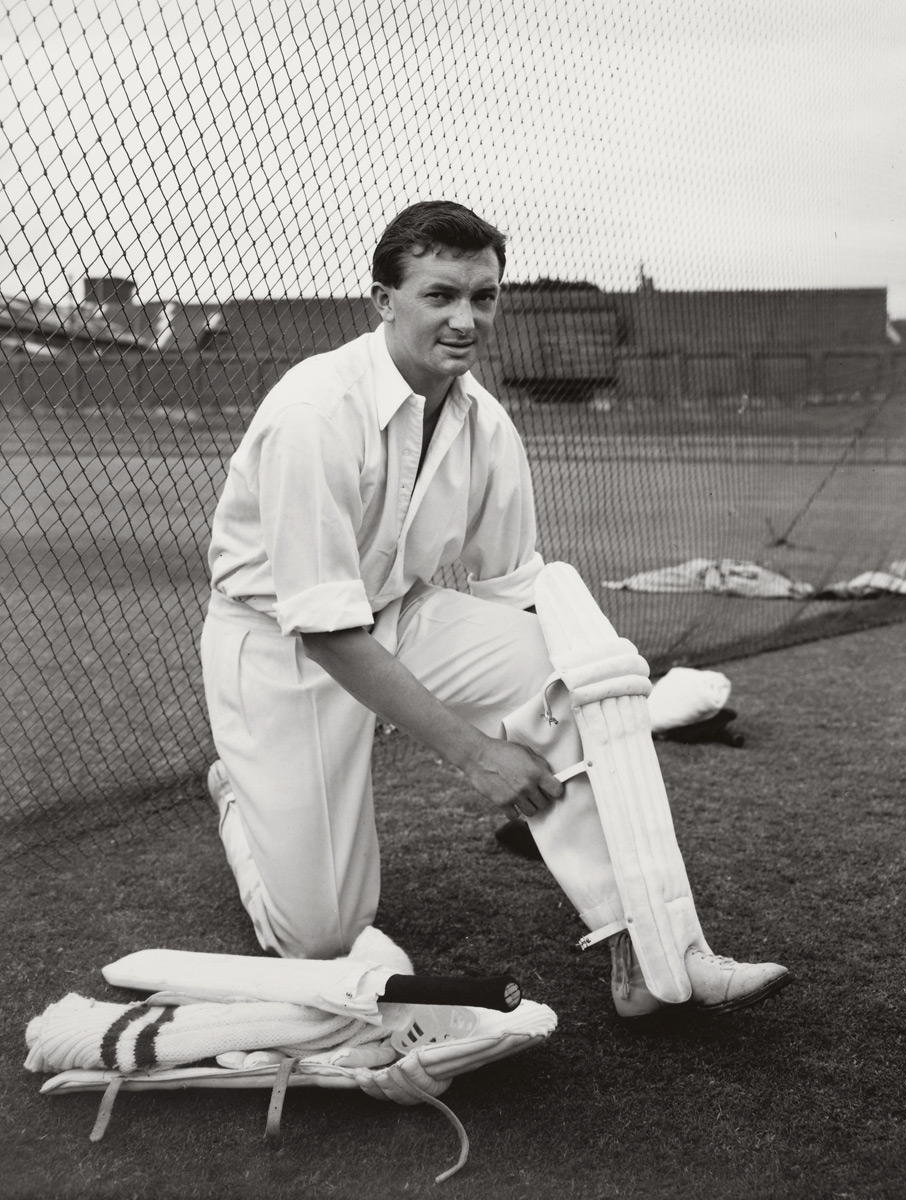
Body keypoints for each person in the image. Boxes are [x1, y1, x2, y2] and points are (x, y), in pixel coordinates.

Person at [201, 200, 791, 1019]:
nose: (465, 318)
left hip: (401, 617)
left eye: (483, 297)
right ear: (383, 300)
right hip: (281, 644)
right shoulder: (314, 414)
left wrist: (587, 702)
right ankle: (240, 798)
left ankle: (652, 945)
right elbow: (326, 630)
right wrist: (477, 753)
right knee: (323, 937)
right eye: (440, 295)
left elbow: (515, 594)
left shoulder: (486, 422)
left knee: (570, 677)